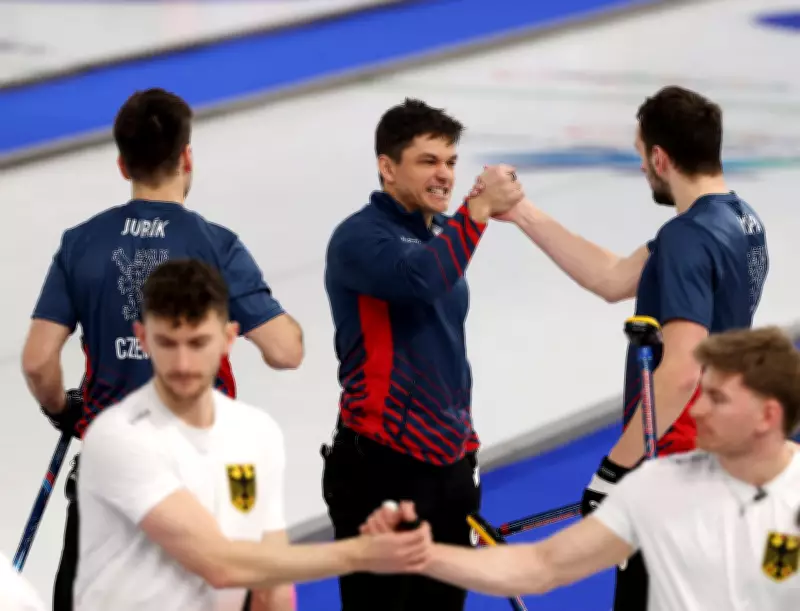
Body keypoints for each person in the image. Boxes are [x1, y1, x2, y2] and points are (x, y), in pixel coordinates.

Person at [470, 84, 770, 608]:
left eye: (641, 155)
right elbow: (612, 278)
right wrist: (521, 212)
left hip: (675, 465)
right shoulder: (740, 220)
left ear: (661, 158)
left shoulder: (686, 239)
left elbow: (682, 369)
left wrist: (616, 469)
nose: (642, 169)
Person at [20, 88, 304, 611]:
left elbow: (38, 362)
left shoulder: (81, 242)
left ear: (122, 164)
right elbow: (285, 351)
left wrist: (63, 409)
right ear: (186, 156)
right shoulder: (216, 244)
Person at [72, 259, 434, 610]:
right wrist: (361, 553)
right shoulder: (117, 437)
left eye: (197, 343)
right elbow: (221, 565)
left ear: (229, 338)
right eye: (167, 343)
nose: (182, 364)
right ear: (142, 338)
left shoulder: (255, 433)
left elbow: (271, 577)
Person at [364, 326, 800, 610]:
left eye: (717, 399)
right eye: (701, 393)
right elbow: (542, 565)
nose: (696, 409)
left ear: (767, 416)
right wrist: (421, 554)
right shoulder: (656, 486)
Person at [320, 97, 524, 610]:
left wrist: (466, 446)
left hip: (450, 465)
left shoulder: (441, 233)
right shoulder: (358, 238)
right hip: (381, 466)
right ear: (388, 168)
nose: (445, 175)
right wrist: (477, 211)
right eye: (428, 161)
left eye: (451, 162)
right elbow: (422, 280)